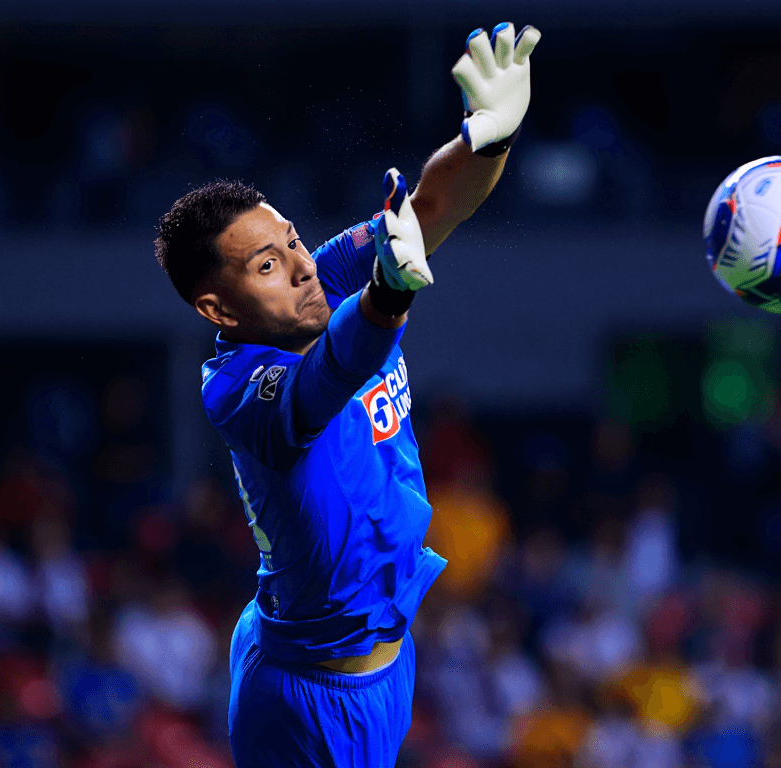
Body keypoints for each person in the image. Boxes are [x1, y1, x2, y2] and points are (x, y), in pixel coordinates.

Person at [150, 23, 541, 767]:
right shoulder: (236, 390)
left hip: (380, 663)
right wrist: (386, 299)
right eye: (267, 264)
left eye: (293, 240)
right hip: (309, 700)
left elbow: (429, 210)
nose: (299, 265)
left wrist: (487, 139)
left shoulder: (322, 281)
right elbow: (329, 376)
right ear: (217, 309)